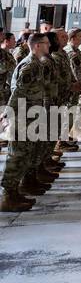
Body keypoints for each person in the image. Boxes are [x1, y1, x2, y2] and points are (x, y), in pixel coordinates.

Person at [0, 32, 54, 212]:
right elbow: (18, 92)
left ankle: (16, 190)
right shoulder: (29, 66)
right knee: (17, 156)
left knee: (25, 155)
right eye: (46, 43)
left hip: (30, 116)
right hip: (22, 116)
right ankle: (8, 196)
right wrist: (7, 114)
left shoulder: (37, 64)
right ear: (37, 45)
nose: (49, 46)